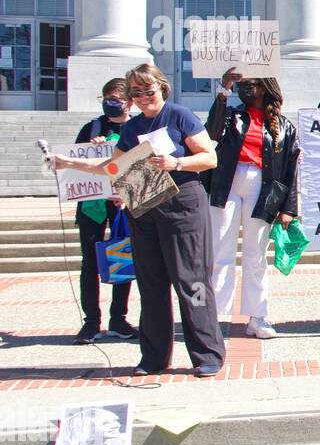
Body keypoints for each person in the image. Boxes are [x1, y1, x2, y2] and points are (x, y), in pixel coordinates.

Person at [51, 64, 224, 377]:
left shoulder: (179, 115)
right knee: (151, 284)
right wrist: (69, 162)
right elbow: (113, 167)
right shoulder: (131, 129)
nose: (144, 97)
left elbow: (210, 157)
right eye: (136, 92)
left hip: (183, 206)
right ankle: (154, 357)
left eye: (149, 90)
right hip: (144, 209)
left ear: (161, 86)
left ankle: (206, 353)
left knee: (192, 281)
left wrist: (177, 162)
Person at [205, 70, 299, 339]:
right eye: (243, 84)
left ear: (266, 86)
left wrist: (289, 208)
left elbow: (291, 169)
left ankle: (257, 317)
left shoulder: (284, 126)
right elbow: (211, 131)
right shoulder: (232, 115)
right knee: (220, 250)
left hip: (264, 188)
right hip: (227, 183)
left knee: (256, 255)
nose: (247, 88)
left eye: (252, 83)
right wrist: (224, 89)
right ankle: (214, 317)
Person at [70, 78, 137, 345]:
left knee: (122, 258)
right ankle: (91, 322)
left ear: (129, 102)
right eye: (106, 100)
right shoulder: (92, 128)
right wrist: (92, 149)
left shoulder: (136, 128)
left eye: (115, 100)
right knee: (90, 263)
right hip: (93, 204)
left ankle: (118, 319)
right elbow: (75, 164)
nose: (110, 105)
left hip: (123, 204)